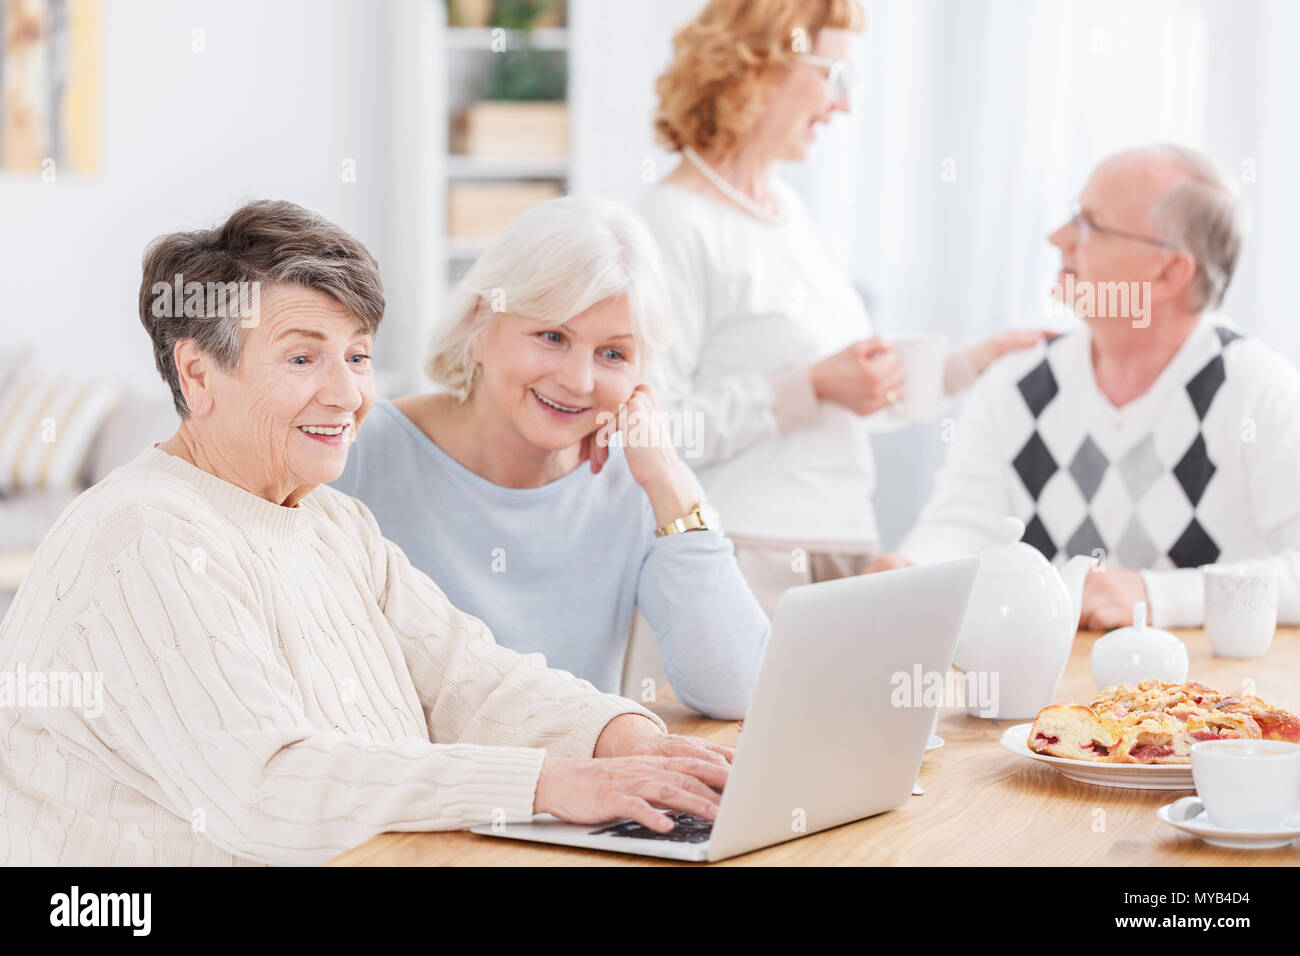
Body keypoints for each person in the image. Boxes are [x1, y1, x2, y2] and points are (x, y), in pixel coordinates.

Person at [0, 200, 733, 866]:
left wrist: (633, 744)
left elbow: (468, 677)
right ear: (198, 375)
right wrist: (550, 783)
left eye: (357, 356)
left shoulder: (330, 519)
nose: (348, 394)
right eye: (302, 358)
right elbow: (268, 787)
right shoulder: (144, 535)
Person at [638, 0, 1045, 616]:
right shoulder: (673, 222)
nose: (844, 104)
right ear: (758, 66)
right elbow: (658, 433)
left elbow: (854, 393)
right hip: (745, 558)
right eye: (834, 76)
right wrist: (810, 385)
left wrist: (973, 364)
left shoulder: (790, 214)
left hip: (843, 549)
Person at [331, 196, 768, 720]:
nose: (578, 381)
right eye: (552, 337)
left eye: (613, 353)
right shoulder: (359, 450)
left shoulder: (638, 481)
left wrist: (669, 479)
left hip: (576, 772)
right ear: (480, 325)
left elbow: (738, 687)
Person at [869, 145, 1300, 631]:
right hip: (1053, 682)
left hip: (1203, 683)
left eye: (1091, 225)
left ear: (1170, 271)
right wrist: (914, 572)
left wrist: (1157, 596)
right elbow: (964, 528)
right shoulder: (1015, 384)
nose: (1058, 238)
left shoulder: (1259, 390)